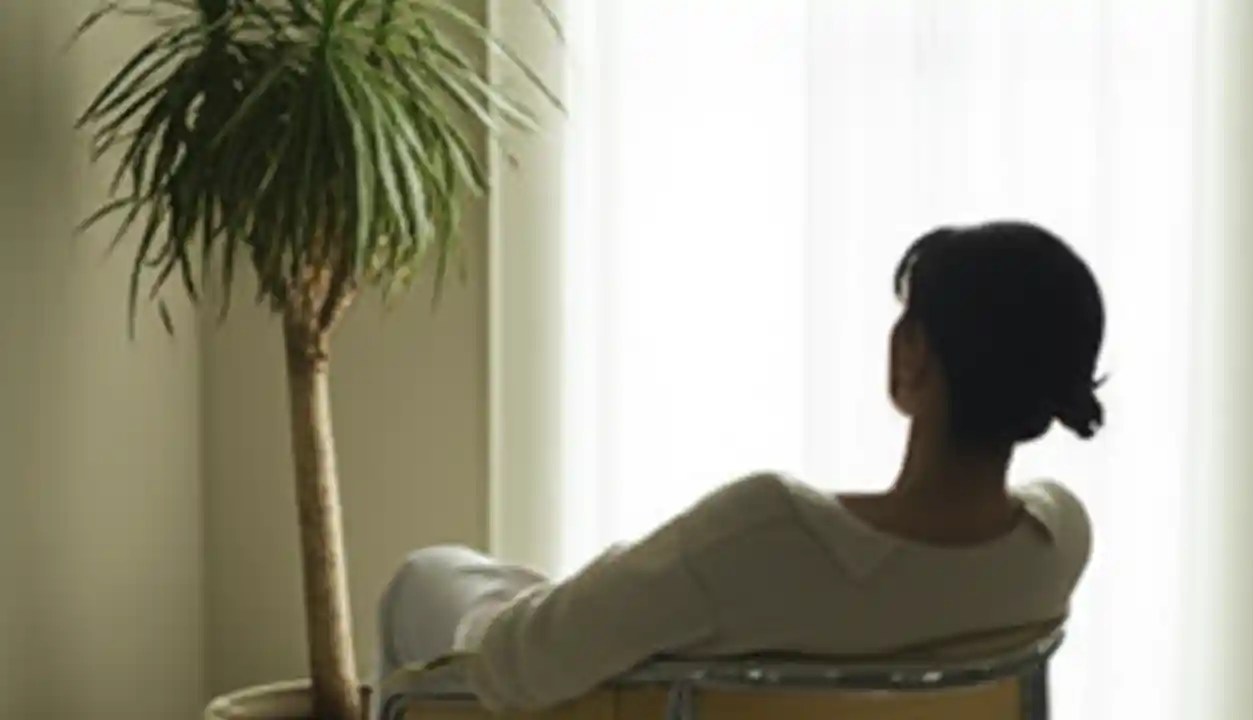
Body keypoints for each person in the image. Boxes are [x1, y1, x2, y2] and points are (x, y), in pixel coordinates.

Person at [377, 220, 1104, 712]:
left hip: (543, 659)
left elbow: (518, 669)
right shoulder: (1057, 544)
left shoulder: (765, 535)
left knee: (428, 582)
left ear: (913, 353)